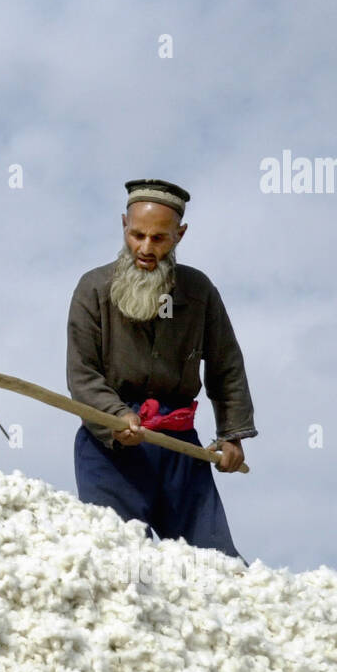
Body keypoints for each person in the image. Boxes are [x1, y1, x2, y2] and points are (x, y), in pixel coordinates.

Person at [66, 179, 256, 559]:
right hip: (111, 447)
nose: (145, 249)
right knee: (118, 558)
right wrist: (117, 417)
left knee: (216, 564)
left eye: (159, 238)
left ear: (179, 235)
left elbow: (226, 365)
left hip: (179, 446)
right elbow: (82, 374)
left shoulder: (198, 292)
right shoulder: (93, 288)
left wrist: (232, 435)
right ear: (124, 225)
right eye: (137, 235)